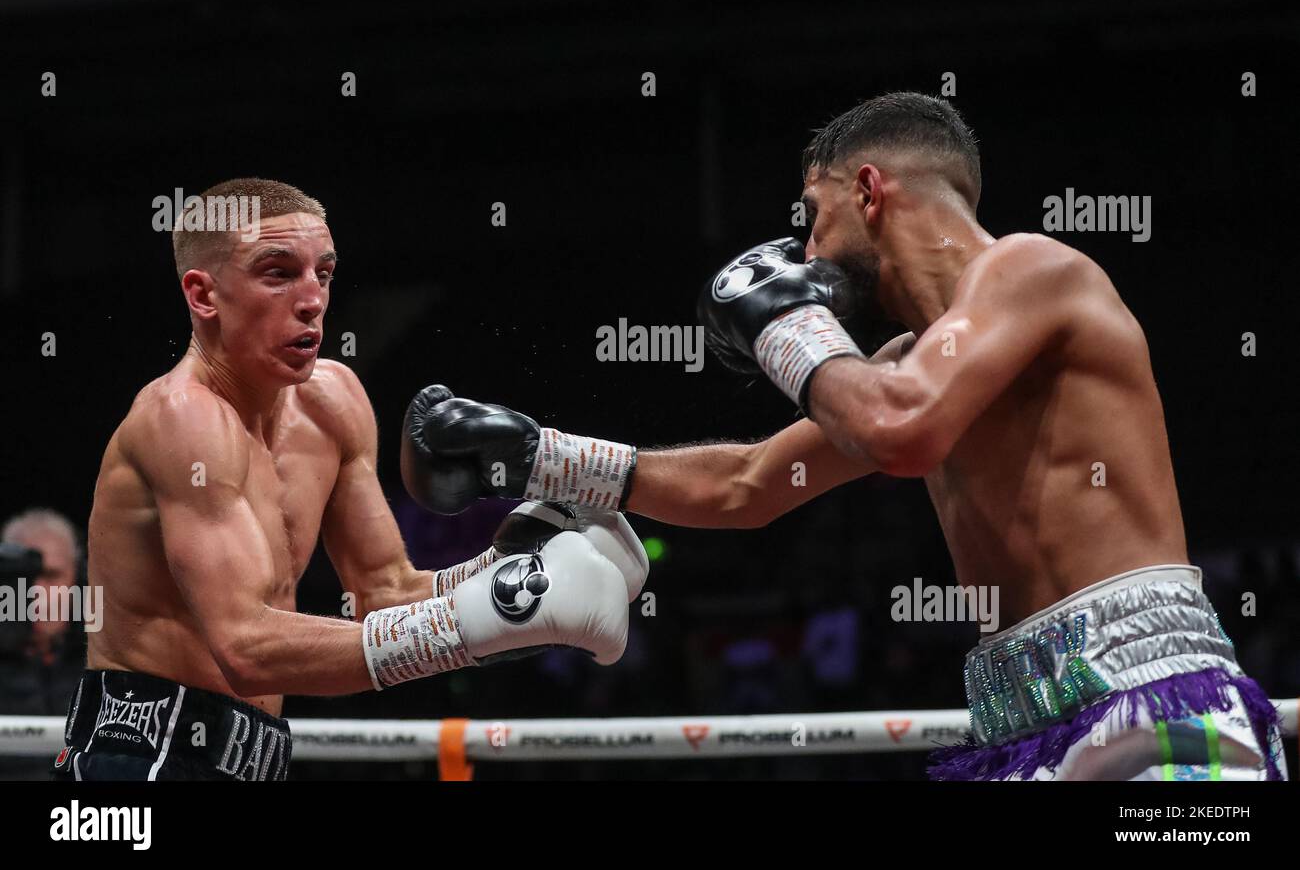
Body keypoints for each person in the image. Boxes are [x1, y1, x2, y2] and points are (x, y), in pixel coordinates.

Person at [401, 93, 1285, 781]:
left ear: (868, 189)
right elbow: (746, 486)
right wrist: (531, 453)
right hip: (1021, 724)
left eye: (811, 216)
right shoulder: (902, 369)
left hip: (1152, 696)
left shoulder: (1035, 269)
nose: (805, 251)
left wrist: (786, 327)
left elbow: (902, 433)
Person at [57, 179, 646, 781]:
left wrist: (504, 568)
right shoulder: (178, 419)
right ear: (204, 294)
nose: (312, 298)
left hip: (255, 758)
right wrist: (475, 624)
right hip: (136, 758)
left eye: (325, 273)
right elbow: (244, 647)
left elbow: (387, 591)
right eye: (278, 272)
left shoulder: (333, 402)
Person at [0, 509, 86, 779]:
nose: (35, 592)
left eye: (51, 576)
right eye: (21, 578)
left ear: (77, 578)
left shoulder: (105, 663)